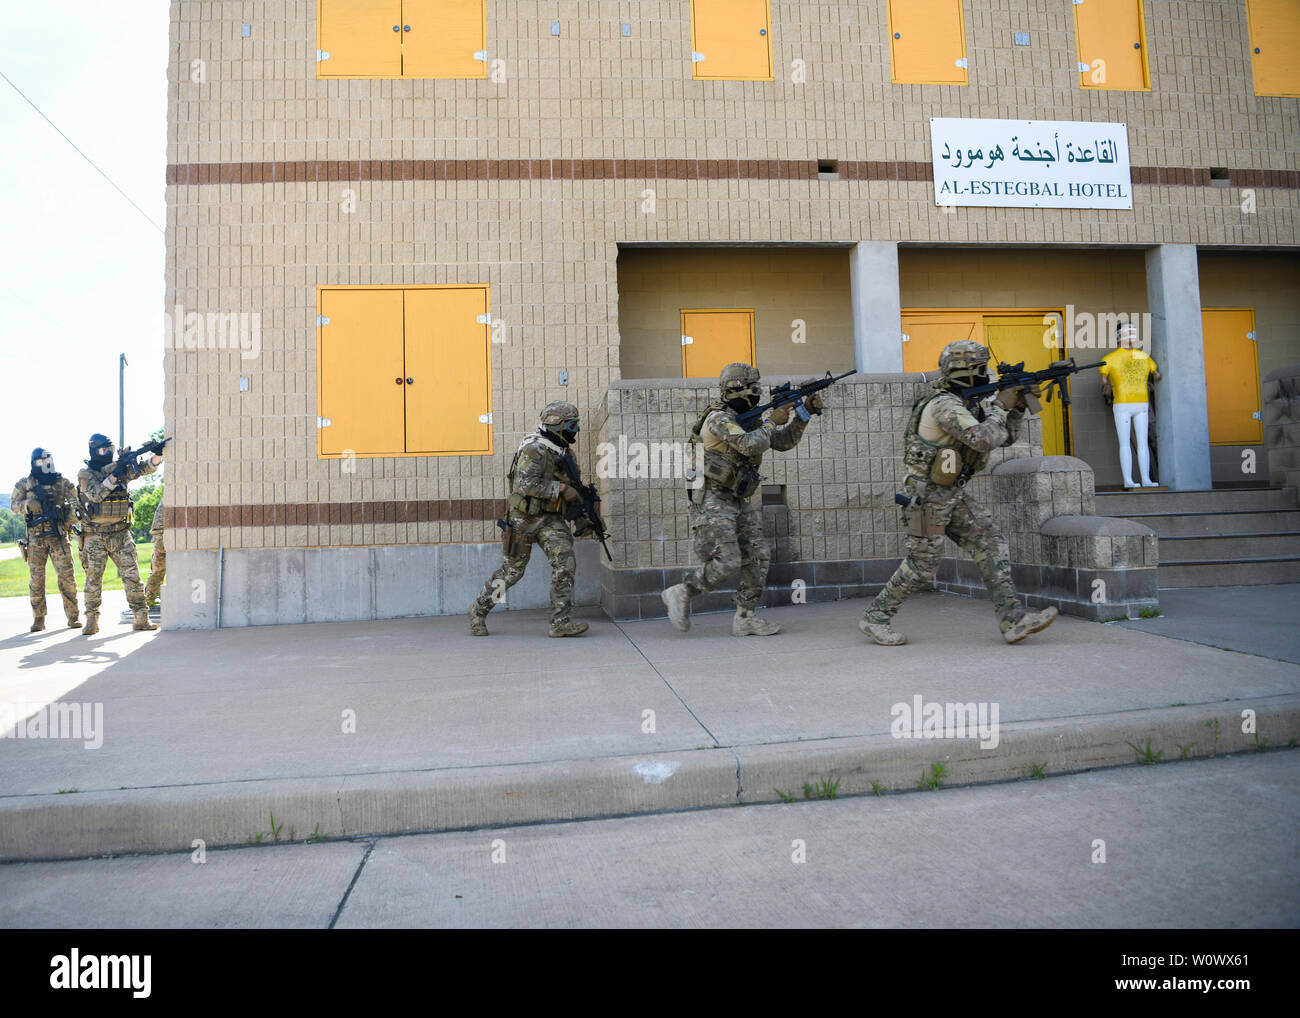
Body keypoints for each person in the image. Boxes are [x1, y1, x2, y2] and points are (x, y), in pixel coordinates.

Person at [860, 341, 1058, 646]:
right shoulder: (945, 405)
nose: (986, 374)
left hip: (951, 493)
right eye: (981, 369)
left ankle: (1013, 620)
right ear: (966, 372)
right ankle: (875, 618)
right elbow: (982, 440)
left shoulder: (968, 403)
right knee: (922, 565)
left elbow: (1003, 438)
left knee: (991, 543)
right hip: (927, 496)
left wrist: (1016, 407)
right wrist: (1001, 406)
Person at [661, 362, 821, 637]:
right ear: (736, 389)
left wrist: (803, 413)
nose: (757, 393)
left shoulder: (749, 419)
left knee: (758, 555)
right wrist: (772, 420)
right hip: (712, 497)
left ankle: (745, 617)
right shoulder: (718, 419)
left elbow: (780, 442)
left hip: (737, 497)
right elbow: (751, 444)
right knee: (729, 559)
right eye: (752, 388)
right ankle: (682, 591)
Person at [468, 401, 589, 638]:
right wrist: (562, 489)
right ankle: (478, 610)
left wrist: (582, 516)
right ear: (556, 424)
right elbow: (526, 484)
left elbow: (573, 490)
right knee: (513, 571)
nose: (575, 431)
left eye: (576, 425)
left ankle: (560, 622)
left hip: (550, 519)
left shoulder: (565, 453)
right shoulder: (534, 448)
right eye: (571, 425)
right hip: (522, 518)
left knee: (565, 564)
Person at [77, 434, 162, 634]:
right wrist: (115, 473)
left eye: (110, 448)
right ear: (93, 451)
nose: (108, 452)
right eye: (103, 450)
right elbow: (96, 494)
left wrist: (157, 455)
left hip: (121, 533)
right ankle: (91, 620)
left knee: (132, 577)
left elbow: (144, 469)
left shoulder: (120, 468)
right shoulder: (86, 474)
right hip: (95, 536)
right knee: (93, 580)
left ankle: (141, 618)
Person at [11, 448, 80, 632]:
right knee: (36, 580)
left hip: (58, 537)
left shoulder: (62, 482)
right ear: (34, 463)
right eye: (41, 461)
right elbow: (13, 506)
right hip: (35, 539)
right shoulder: (25, 484)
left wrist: (70, 520)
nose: (46, 463)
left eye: (48, 459)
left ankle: (73, 617)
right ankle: (39, 619)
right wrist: (26, 505)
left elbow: (76, 502)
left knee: (67, 578)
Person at [1100, 321, 1161, 488]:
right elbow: (1103, 384)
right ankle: (1128, 479)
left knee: (1142, 443)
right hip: (1122, 404)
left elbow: (1157, 375)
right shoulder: (1109, 359)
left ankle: (1146, 479)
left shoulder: (1144, 357)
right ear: (1119, 336)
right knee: (1125, 442)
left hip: (1141, 404)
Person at [143, 488, 166, 611]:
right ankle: (150, 599)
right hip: (162, 535)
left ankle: (150, 599)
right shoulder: (172, 497)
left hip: (162, 535)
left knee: (157, 571)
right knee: (158, 570)